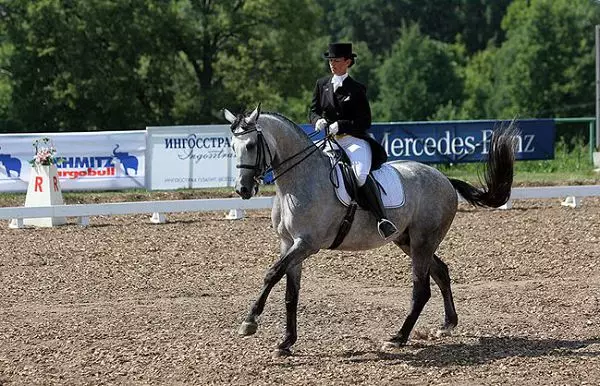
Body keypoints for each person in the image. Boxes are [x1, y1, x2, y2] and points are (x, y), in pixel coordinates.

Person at [309, 42, 398, 240]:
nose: (332, 64)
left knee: (359, 175)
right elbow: (312, 110)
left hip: (353, 140)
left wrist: (341, 125)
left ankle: (381, 219)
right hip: (330, 141)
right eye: (330, 60)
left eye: (336, 60)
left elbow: (365, 121)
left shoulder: (356, 89)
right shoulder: (322, 84)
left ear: (348, 62)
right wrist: (317, 120)